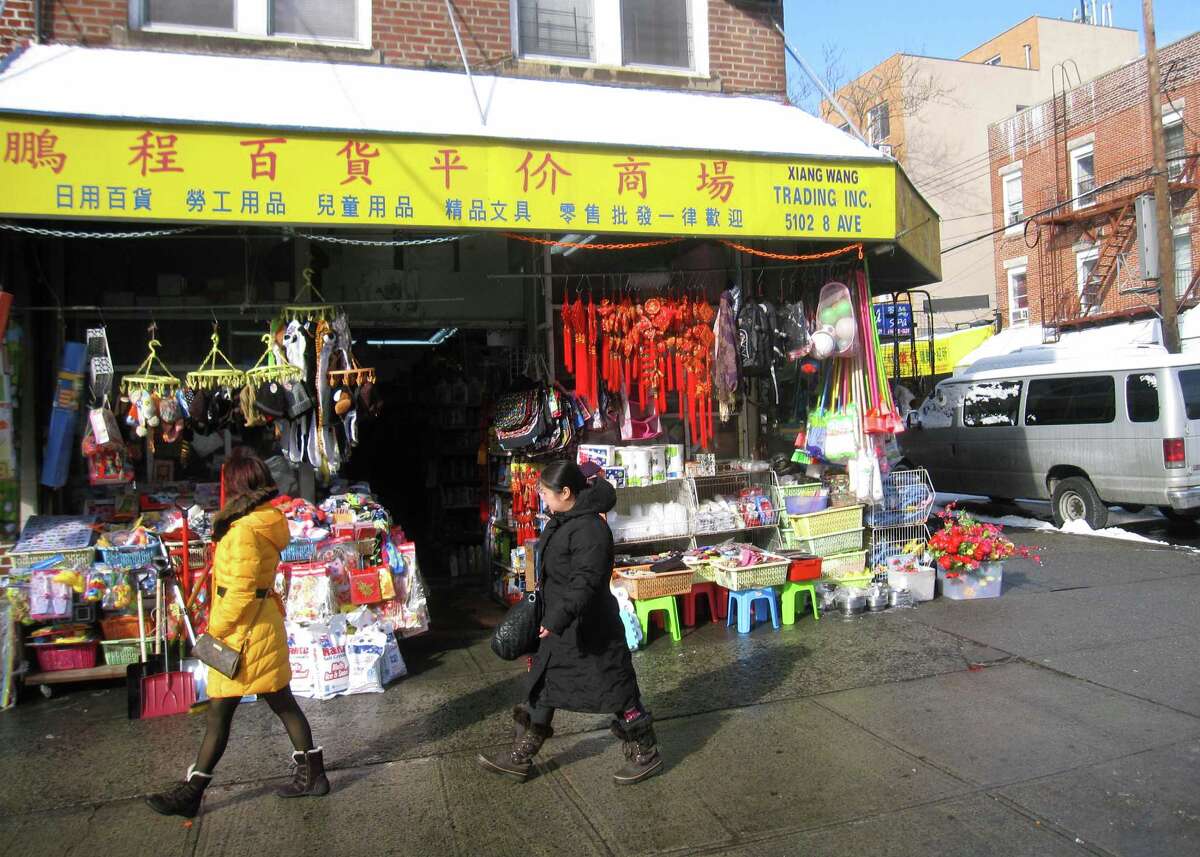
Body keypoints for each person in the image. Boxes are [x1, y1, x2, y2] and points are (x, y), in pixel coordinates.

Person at [145, 447, 329, 818]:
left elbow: (241, 591)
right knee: (275, 702)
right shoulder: (260, 521)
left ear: (237, 487)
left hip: (243, 633)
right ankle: (311, 776)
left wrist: (214, 630)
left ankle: (193, 792)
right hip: (256, 628)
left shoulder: (246, 530)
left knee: (225, 711)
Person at [477, 459, 663, 785]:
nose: (542, 500)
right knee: (543, 688)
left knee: (617, 691)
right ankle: (521, 755)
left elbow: (586, 581)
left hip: (591, 630)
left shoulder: (590, 528)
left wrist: (557, 618)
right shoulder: (563, 519)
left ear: (566, 492)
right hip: (560, 627)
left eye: (546, 494)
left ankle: (645, 752)